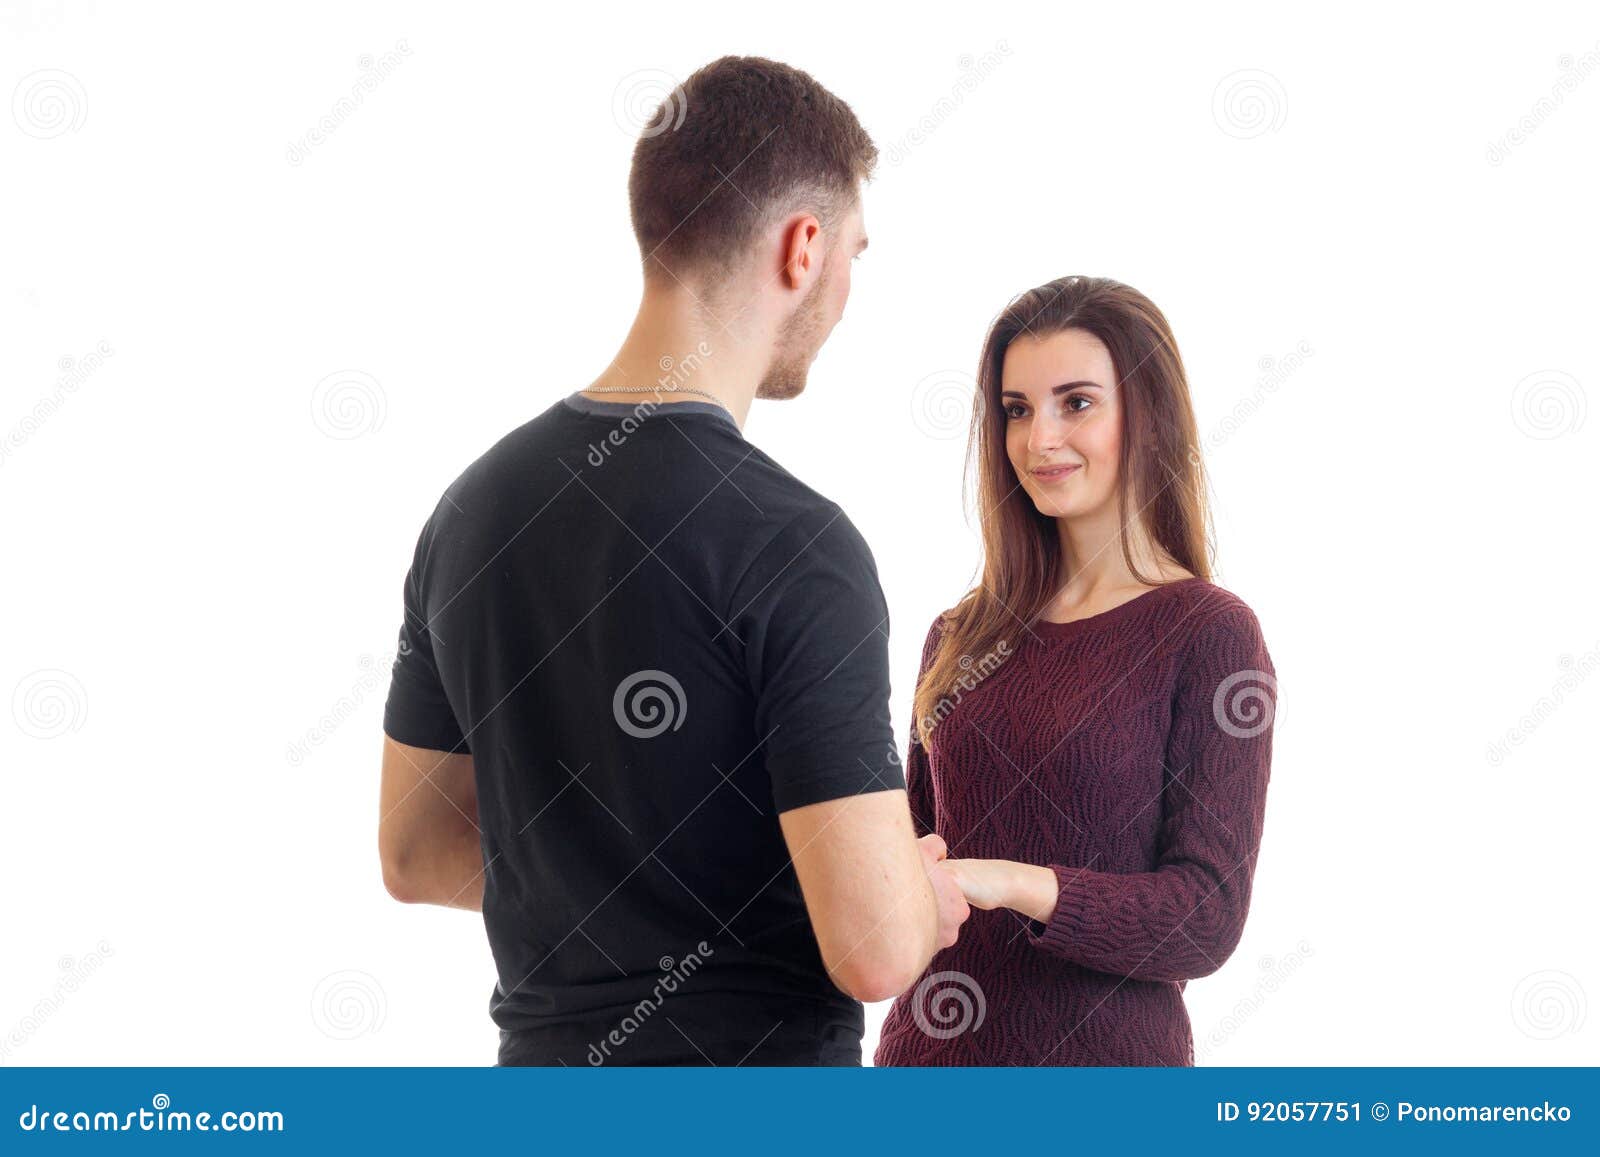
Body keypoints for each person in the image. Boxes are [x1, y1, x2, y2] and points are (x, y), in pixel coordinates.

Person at [377, 56, 967, 1067]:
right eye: (854, 253)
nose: (847, 288)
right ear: (803, 246)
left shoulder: (471, 512)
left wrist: (587, 866)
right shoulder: (797, 544)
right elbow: (873, 947)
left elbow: (415, 851)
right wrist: (912, 892)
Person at [874, 276, 1277, 1066]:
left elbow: (1207, 916)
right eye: (1017, 409)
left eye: (1077, 403)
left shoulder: (1210, 635)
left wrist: (1020, 883)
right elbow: (912, 862)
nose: (1039, 439)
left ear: (1147, 414)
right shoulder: (959, 635)